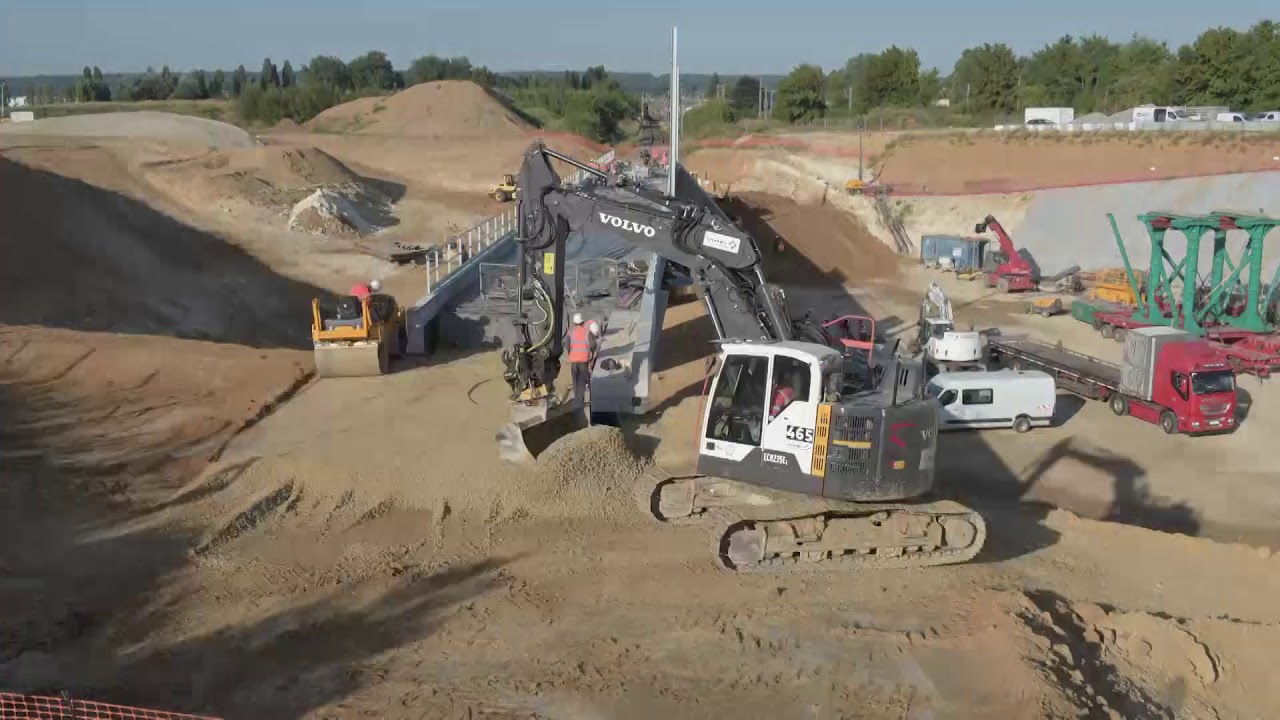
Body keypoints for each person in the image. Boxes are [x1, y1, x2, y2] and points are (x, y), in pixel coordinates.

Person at [566, 312, 597, 404]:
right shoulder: (587, 332)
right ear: (582, 322)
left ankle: (576, 398)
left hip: (573, 361)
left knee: (575, 380)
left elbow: (567, 346)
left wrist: (571, 352)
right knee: (581, 380)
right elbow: (593, 345)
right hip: (583, 360)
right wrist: (592, 350)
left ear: (574, 323)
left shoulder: (570, 332)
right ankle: (581, 399)